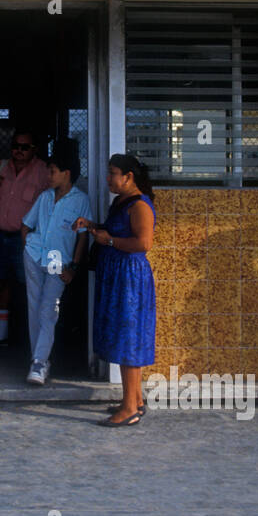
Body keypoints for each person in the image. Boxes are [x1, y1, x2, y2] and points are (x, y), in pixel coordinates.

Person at [75, 154, 156, 427]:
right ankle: (135, 400)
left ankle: (130, 409)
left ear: (129, 177)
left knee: (128, 337)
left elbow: (143, 243)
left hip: (129, 278)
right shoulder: (120, 201)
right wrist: (92, 225)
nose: (108, 179)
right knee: (122, 335)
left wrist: (108, 240)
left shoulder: (140, 205)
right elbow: (113, 231)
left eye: (112, 173)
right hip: (116, 274)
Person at [21, 141, 90, 385]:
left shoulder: (81, 200)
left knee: (48, 310)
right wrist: (28, 246)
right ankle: (37, 359)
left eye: (52, 171)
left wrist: (74, 267)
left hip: (58, 262)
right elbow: (26, 225)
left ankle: (39, 363)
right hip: (35, 255)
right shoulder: (45, 197)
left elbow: (83, 237)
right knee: (33, 308)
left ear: (66, 173)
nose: (48, 176)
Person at [0, 130, 50, 346]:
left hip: (27, 239)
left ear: (34, 149)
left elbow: (52, 201)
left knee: (28, 285)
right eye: (15, 146)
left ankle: (26, 335)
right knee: (1, 283)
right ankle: (1, 334)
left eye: (24, 147)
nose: (19, 151)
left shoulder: (43, 172)